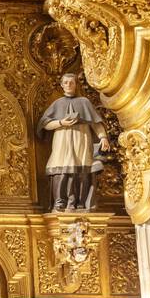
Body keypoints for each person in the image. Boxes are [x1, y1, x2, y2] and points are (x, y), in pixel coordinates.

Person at [36, 72, 110, 212]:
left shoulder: (84, 102)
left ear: (76, 85)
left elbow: (95, 123)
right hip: (62, 141)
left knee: (82, 168)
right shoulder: (57, 104)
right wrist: (61, 122)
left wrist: (103, 137)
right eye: (66, 82)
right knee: (61, 168)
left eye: (72, 82)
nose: (69, 85)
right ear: (62, 85)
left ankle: (80, 203)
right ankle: (61, 203)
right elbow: (45, 124)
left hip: (81, 139)